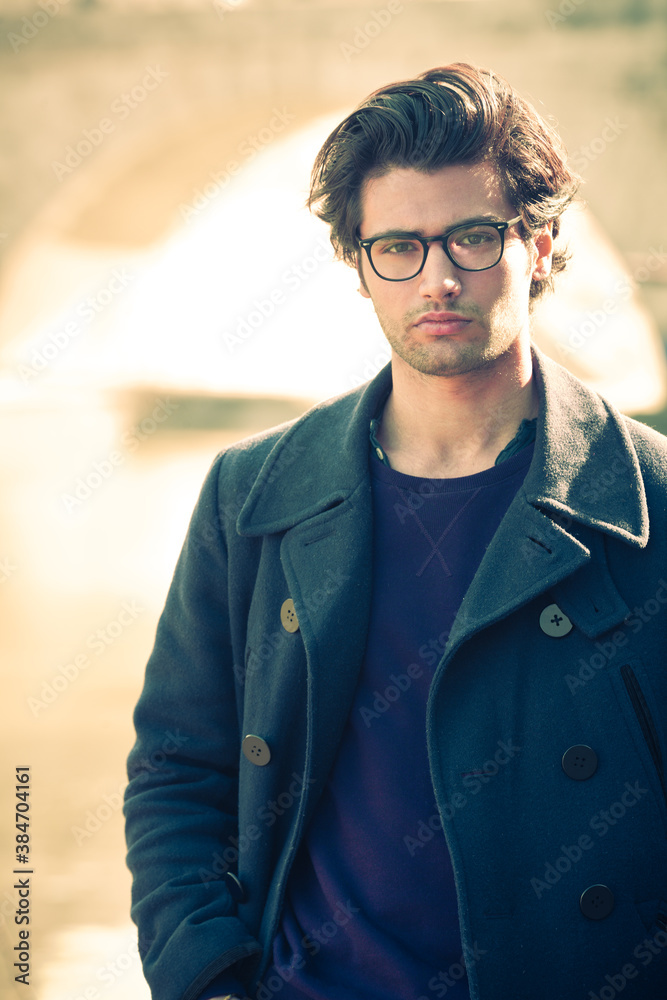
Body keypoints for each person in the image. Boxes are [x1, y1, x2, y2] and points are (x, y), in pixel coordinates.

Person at [124, 63, 667, 1000]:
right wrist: (207, 976)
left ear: (537, 244)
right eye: (399, 248)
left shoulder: (646, 503)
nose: (439, 279)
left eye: (472, 236)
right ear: (356, 264)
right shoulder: (250, 496)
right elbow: (176, 772)